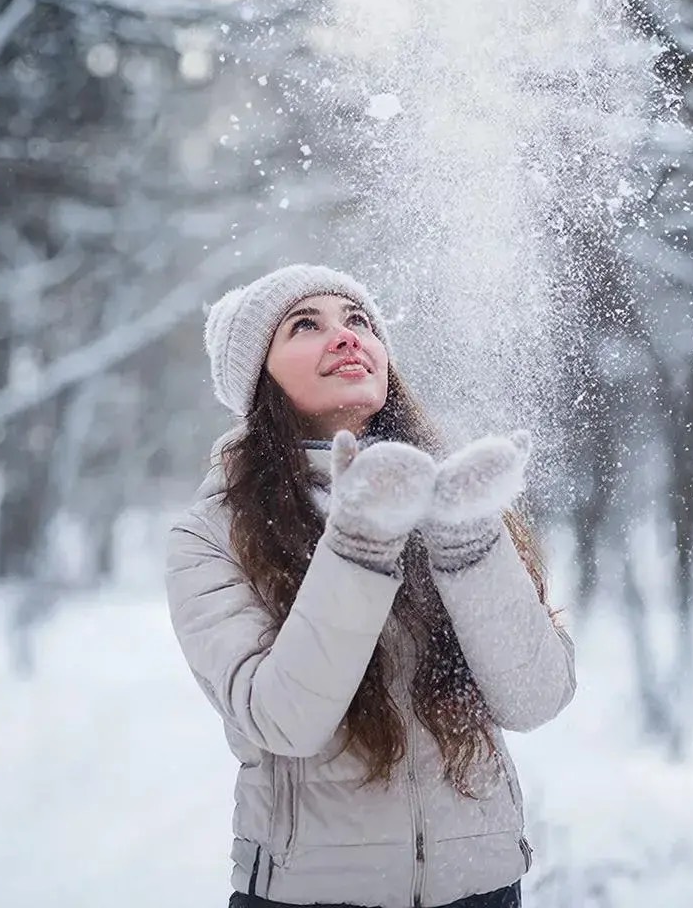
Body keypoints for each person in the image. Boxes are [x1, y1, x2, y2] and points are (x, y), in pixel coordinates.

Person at [166, 264, 576, 908]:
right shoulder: (213, 532)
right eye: (305, 325)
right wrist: (360, 543)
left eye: (358, 320)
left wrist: (467, 539)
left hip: (482, 888)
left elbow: (535, 699)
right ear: (258, 377)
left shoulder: (447, 496)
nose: (346, 336)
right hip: (311, 897)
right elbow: (284, 720)